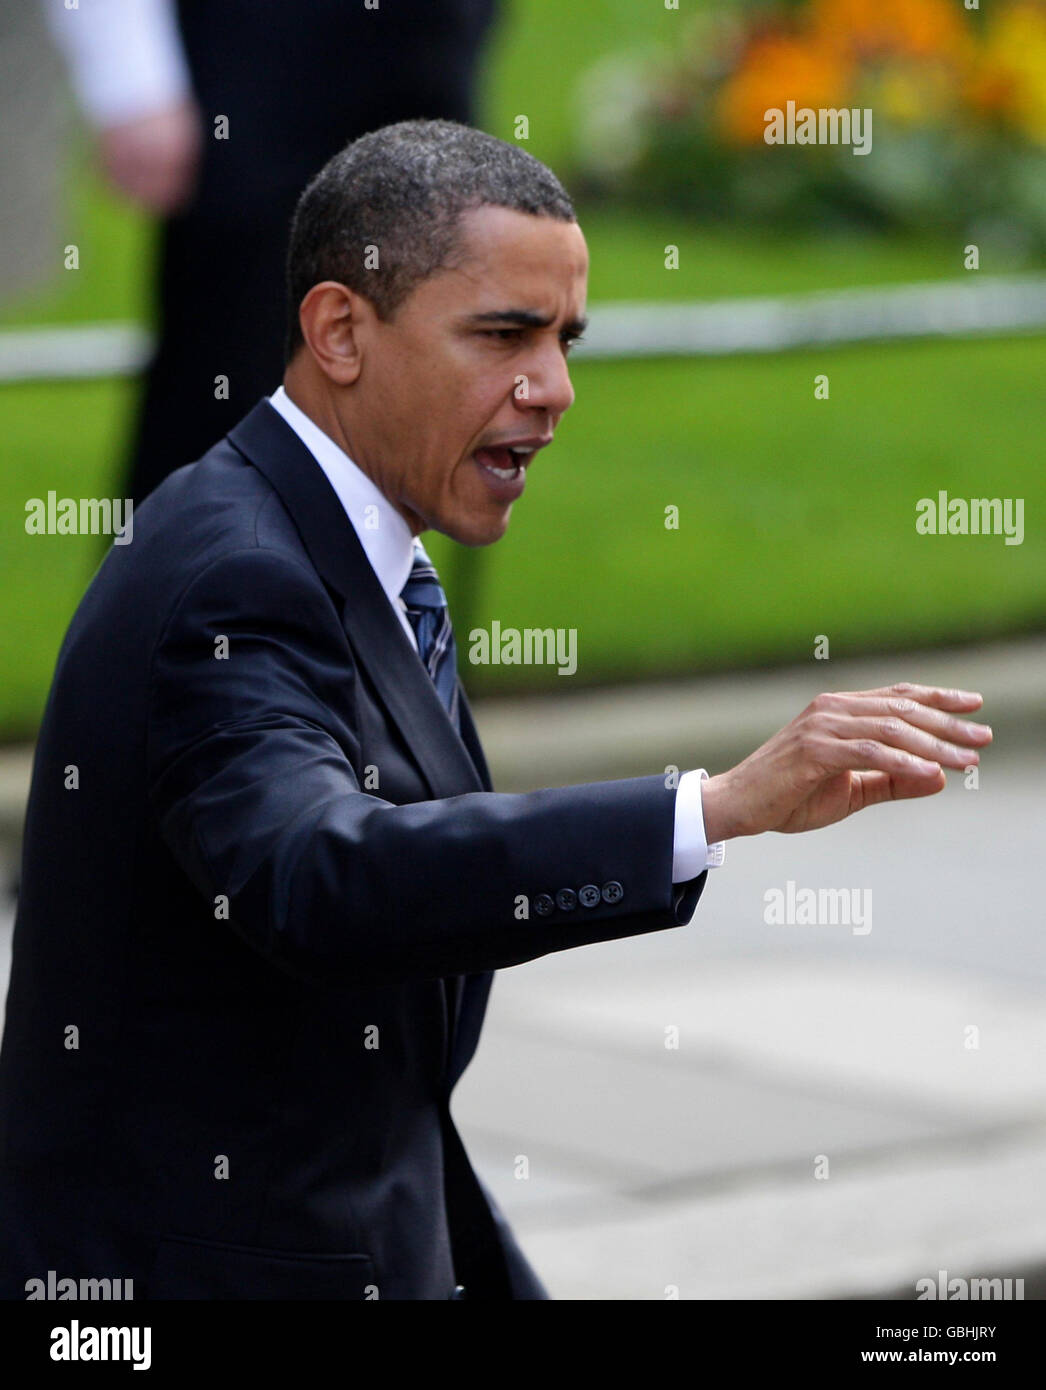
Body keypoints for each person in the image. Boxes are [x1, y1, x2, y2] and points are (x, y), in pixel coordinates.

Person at [0, 120, 992, 1302]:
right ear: (339, 333)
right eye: (503, 335)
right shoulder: (236, 574)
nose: (554, 390)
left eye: (564, 339)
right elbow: (320, 875)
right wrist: (709, 808)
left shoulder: (353, 540)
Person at [44, 0, 498, 503]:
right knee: (228, 384)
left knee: (404, 388)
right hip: (262, 53)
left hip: (423, 44)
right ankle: (188, 575)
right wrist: (128, 76)